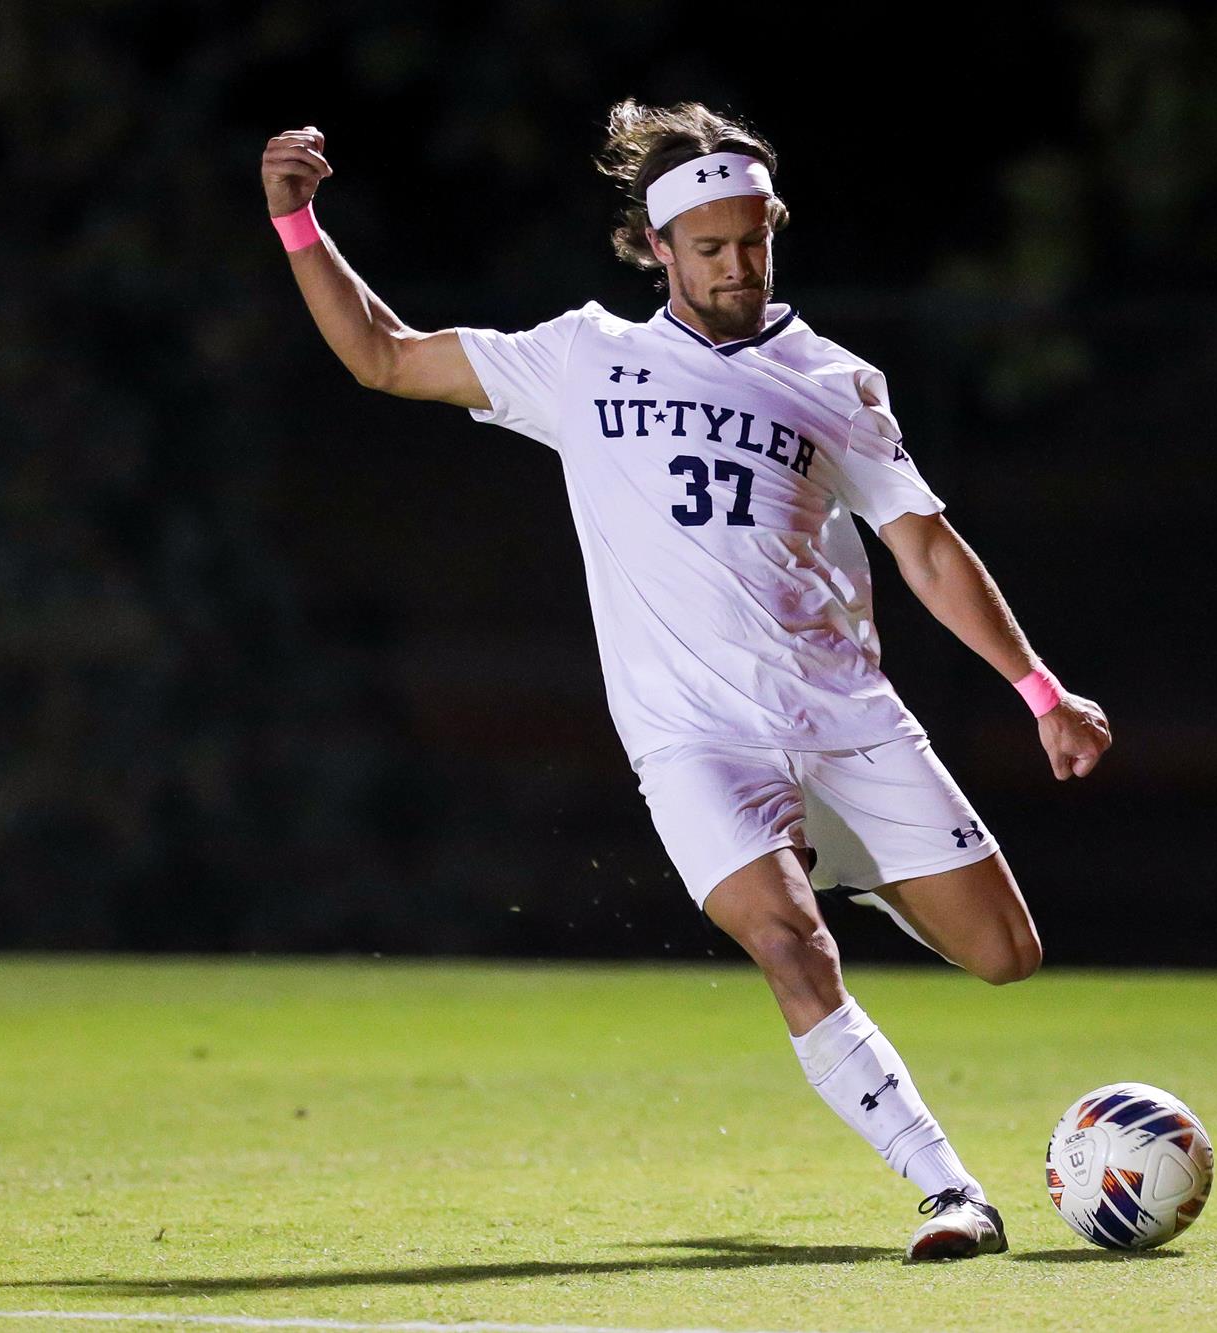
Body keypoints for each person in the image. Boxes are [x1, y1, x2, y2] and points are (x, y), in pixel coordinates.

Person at [261, 99, 1111, 1262]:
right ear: (653, 247)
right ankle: (949, 1190)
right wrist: (298, 224)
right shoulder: (581, 358)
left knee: (1004, 955)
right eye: (707, 248)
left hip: (844, 722)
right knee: (785, 941)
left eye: (752, 240)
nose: (735, 267)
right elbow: (381, 356)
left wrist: (1039, 691)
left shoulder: (837, 381)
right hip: (694, 737)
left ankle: (846, 867)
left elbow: (923, 545)